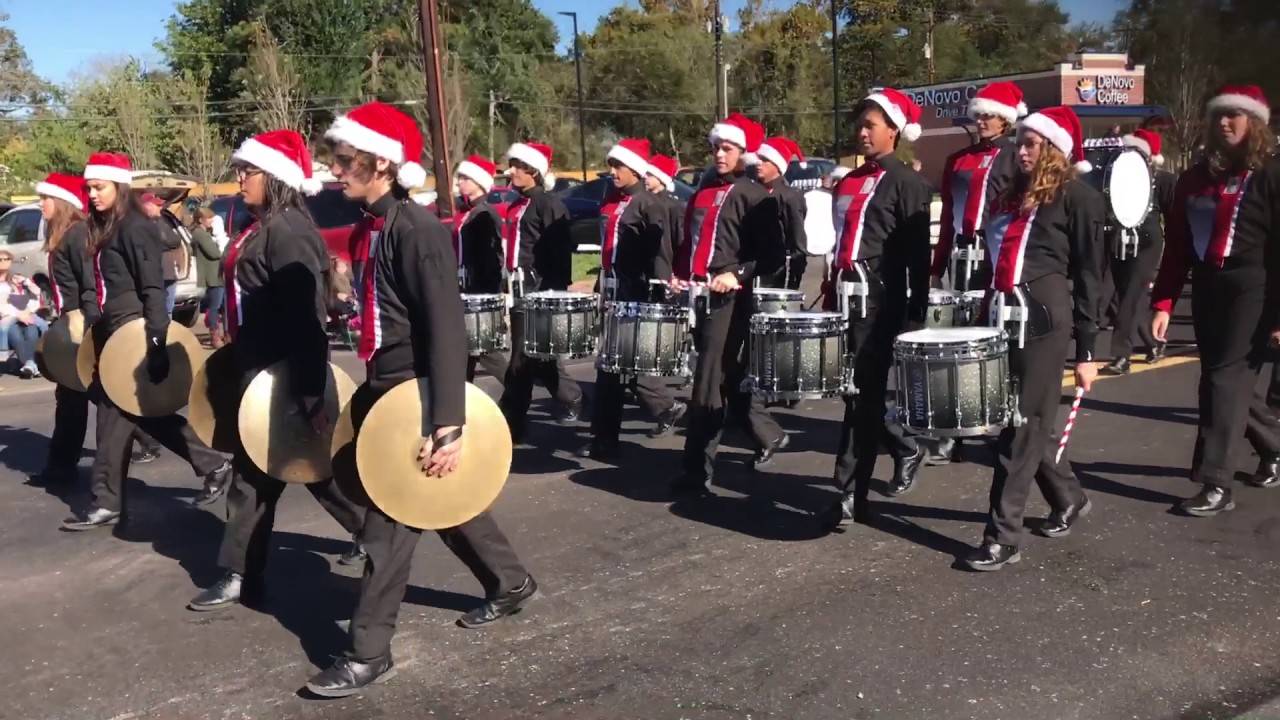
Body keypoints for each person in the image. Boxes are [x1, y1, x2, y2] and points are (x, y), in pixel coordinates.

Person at [307, 103, 536, 697]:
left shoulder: (419, 230)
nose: (335, 170)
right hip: (382, 390)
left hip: (416, 394)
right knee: (437, 500)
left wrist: (447, 425)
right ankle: (509, 582)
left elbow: (446, 331)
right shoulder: (370, 227)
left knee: (388, 527)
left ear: (381, 162)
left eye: (344, 160)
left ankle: (367, 652)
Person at [187, 130, 368, 611]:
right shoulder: (259, 226)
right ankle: (246, 570)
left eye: (248, 172)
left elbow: (307, 319)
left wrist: (309, 393)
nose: (239, 180)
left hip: (283, 375)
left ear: (277, 177)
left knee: (301, 472)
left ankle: (373, 536)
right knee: (269, 475)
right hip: (256, 372)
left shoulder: (288, 231)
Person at [962, 106, 1106, 571]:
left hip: (1043, 320)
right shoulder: (1007, 196)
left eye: (1031, 143)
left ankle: (1002, 535)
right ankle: (1069, 496)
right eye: (1019, 142)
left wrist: (1088, 352)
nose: (1020, 150)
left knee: (1019, 428)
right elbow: (993, 259)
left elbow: (1090, 278)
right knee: (1026, 423)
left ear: (1054, 149)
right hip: (1001, 315)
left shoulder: (1078, 198)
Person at [60, 152, 231, 531]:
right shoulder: (101, 228)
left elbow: (153, 289)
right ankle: (213, 464)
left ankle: (106, 501)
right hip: (111, 334)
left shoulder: (134, 227)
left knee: (112, 418)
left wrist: (156, 342)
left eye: (99, 187)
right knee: (139, 414)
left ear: (119, 187)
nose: (92, 194)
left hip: (133, 335)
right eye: (88, 188)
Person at [1151, 85, 1279, 516]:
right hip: (1208, 286)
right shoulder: (1195, 178)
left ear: (1255, 123)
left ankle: (1215, 483)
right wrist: (1164, 302)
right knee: (1227, 381)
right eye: (1219, 115)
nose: (1224, 123)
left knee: (1222, 383)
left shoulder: (1271, 176)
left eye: (1235, 116)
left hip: (1254, 287)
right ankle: (1274, 448)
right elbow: (1178, 248)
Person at [821, 89, 932, 528]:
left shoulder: (906, 182)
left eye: (872, 125)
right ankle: (902, 450)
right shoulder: (849, 180)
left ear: (894, 131)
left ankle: (849, 493)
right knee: (851, 396)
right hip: (844, 301)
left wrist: (915, 316)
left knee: (861, 400)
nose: (862, 132)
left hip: (879, 305)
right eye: (861, 124)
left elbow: (917, 258)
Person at [669, 113, 788, 497]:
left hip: (731, 299)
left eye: (728, 148)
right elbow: (691, 243)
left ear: (744, 152)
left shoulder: (755, 195)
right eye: (716, 147)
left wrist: (736, 274)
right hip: (699, 295)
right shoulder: (703, 191)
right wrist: (679, 275)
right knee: (731, 378)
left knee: (706, 382)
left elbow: (772, 256)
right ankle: (769, 435)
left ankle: (696, 471)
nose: (719, 155)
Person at [580, 138, 685, 460]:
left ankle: (606, 437)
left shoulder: (648, 204)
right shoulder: (617, 200)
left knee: (615, 367)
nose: (612, 172)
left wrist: (661, 286)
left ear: (636, 170)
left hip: (635, 292)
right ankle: (656, 413)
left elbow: (661, 251)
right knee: (612, 367)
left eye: (618, 166)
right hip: (612, 289)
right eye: (611, 166)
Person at [497, 140, 584, 442]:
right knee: (540, 357)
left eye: (518, 167)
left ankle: (510, 420)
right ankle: (573, 397)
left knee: (520, 358)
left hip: (539, 292)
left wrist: (553, 292)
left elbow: (561, 251)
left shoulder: (548, 204)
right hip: (518, 288)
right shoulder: (516, 204)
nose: (511, 171)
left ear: (534, 171)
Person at [29, 174, 95, 484]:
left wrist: (86, 327)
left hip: (81, 328)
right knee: (73, 397)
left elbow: (90, 286)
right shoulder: (65, 235)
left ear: (63, 202)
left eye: (46, 197)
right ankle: (62, 465)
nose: (41, 203)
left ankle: (205, 461)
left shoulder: (78, 234)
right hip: (70, 325)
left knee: (96, 396)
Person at [930, 81, 1024, 293]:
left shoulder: (1016, 156)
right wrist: (936, 269)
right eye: (977, 116)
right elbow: (947, 216)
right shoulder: (958, 159)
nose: (980, 122)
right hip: (960, 250)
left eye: (987, 116)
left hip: (999, 249)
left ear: (1004, 119)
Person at [1102, 129, 1177, 374]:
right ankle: (1154, 341)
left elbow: (1174, 215)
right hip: (1119, 238)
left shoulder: (1163, 180)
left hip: (1147, 241)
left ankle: (1122, 356)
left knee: (1131, 294)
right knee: (1120, 296)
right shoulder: (1116, 178)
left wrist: (1175, 250)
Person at [452, 154, 510, 384]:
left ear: (478, 182)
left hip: (479, 291)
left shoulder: (485, 214)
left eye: (465, 178)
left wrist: (487, 293)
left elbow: (492, 256)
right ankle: (461, 399)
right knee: (465, 349)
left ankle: (517, 393)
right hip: (463, 288)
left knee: (484, 349)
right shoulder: (465, 212)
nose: (460, 182)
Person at [754, 136, 808, 290]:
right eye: (758, 158)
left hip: (778, 272)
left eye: (764, 160)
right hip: (751, 269)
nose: (758, 163)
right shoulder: (751, 192)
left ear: (777, 165)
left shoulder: (789, 196)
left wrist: (794, 272)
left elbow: (797, 239)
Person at [140, 192, 187, 316]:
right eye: (157, 205)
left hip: (168, 272)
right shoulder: (148, 224)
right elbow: (172, 241)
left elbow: (176, 241)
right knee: (159, 310)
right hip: (156, 274)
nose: (161, 208)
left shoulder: (163, 221)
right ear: (147, 206)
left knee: (167, 309)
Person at [0, 259, 48, 378]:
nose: (17, 280)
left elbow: (37, 298)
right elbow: (3, 306)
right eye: (15, 278)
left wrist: (27, 312)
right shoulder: (5, 289)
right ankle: (30, 364)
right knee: (16, 335)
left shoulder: (27, 288)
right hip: (11, 320)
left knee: (32, 332)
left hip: (28, 317)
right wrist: (19, 315)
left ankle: (30, 364)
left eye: (19, 277)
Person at [190, 207, 226, 348]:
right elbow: (214, 253)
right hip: (213, 274)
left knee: (216, 305)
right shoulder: (201, 235)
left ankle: (216, 332)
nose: (212, 221)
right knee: (215, 306)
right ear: (200, 220)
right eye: (209, 218)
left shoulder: (203, 233)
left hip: (214, 273)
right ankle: (214, 335)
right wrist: (220, 245)